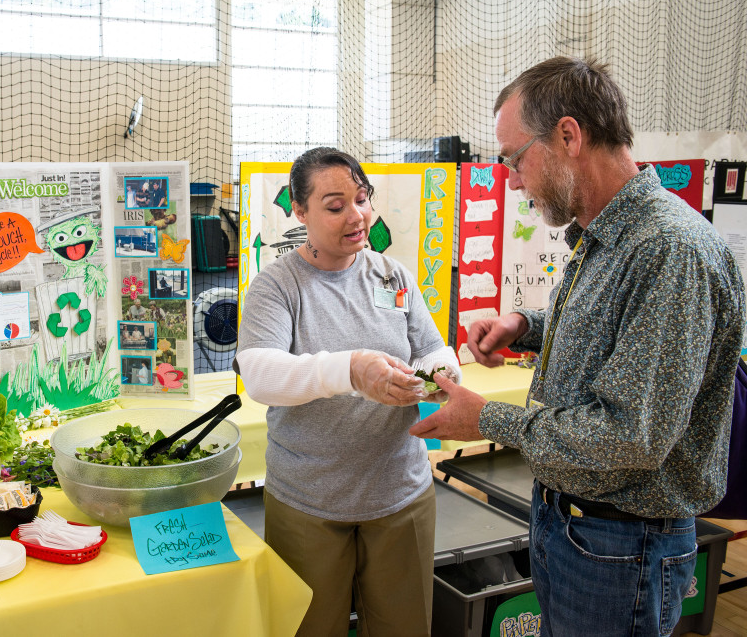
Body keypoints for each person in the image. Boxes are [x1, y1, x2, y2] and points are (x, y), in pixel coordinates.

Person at [409, 57, 746, 636]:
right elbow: (611, 333)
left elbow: (630, 435)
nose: (512, 179)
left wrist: (488, 420)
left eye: (515, 158)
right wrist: (525, 324)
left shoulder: (669, 251)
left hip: (623, 544)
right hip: (575, 525)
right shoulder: (607, 234)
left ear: (569, 135)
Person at [235, 146, 461, 636]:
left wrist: (438, 375)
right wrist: (352, 371)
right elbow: (259, 373)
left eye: (363, 199)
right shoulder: (278, 286)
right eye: (335, 206)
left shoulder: (392, 274)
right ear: (300, 210)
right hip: (308, 503)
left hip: (401, 495)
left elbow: (433, 348)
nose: (356, 216)